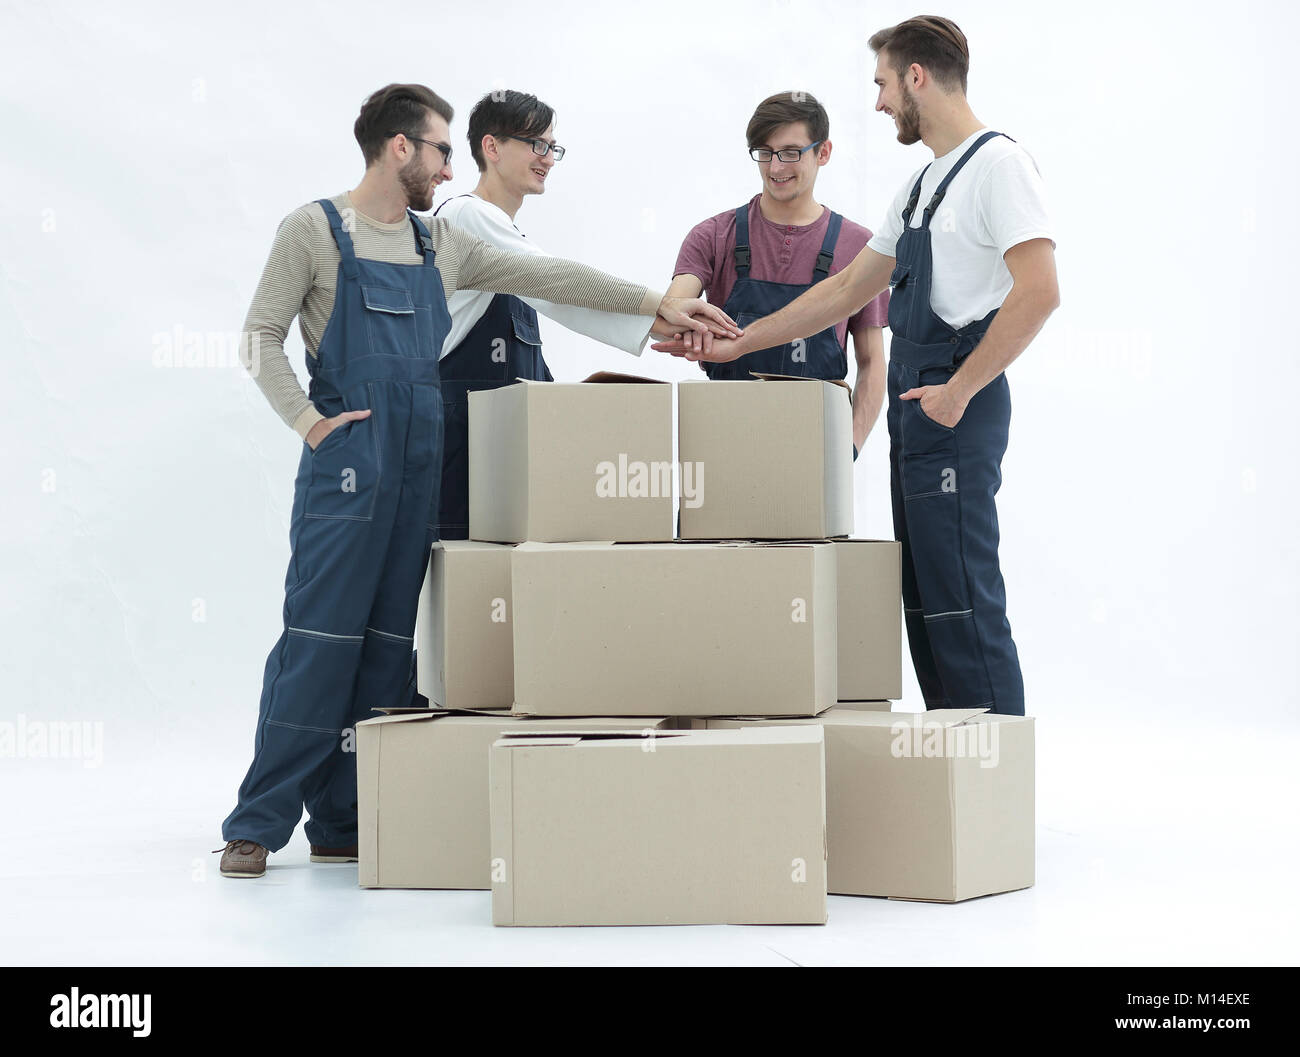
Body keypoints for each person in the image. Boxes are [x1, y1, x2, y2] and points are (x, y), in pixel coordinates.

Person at [217, 83, 737, 878]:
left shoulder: (441, 244)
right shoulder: (314, 230)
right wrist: (308, 423)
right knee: (320, 639)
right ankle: (258, 823)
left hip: (420, 462)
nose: (448, 165)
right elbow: (259, 335)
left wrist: (654, 305)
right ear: (400, 148)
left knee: (391, 648)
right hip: (348, 470)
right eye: (440, 149)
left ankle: (345, 819)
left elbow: (552, 276)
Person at [655, 17, 1059, 717]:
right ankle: (954, 775)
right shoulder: (924, 186)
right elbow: (844, 291)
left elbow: (1041, 291)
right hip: (919, 406)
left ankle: (993, 786)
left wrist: (961, 392)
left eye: (881, 83)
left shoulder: (999, 166)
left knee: (964, 598)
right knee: (928, 602)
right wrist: (739, 343)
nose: (877, 102)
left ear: (915, 77)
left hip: (955, 402)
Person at [432, 90, 665, 540]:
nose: (548, 158)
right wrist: (661, 313)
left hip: (498, 454)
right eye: (535, 144)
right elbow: (558, 287)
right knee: (465, 590)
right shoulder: (466, 215)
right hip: (459, 452)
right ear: (492, 147)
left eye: (552, 147)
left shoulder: (505, 235)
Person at [665, 91, 890, 455]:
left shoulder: (861, 250)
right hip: (722, 441)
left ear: (824, 152)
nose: (775, 167)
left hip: (814, 447)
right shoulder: (713, 235)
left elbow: (872, 364)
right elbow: (677, 303)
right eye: (765, 153)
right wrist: (675, 315)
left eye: (790, 152)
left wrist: (848, 448)